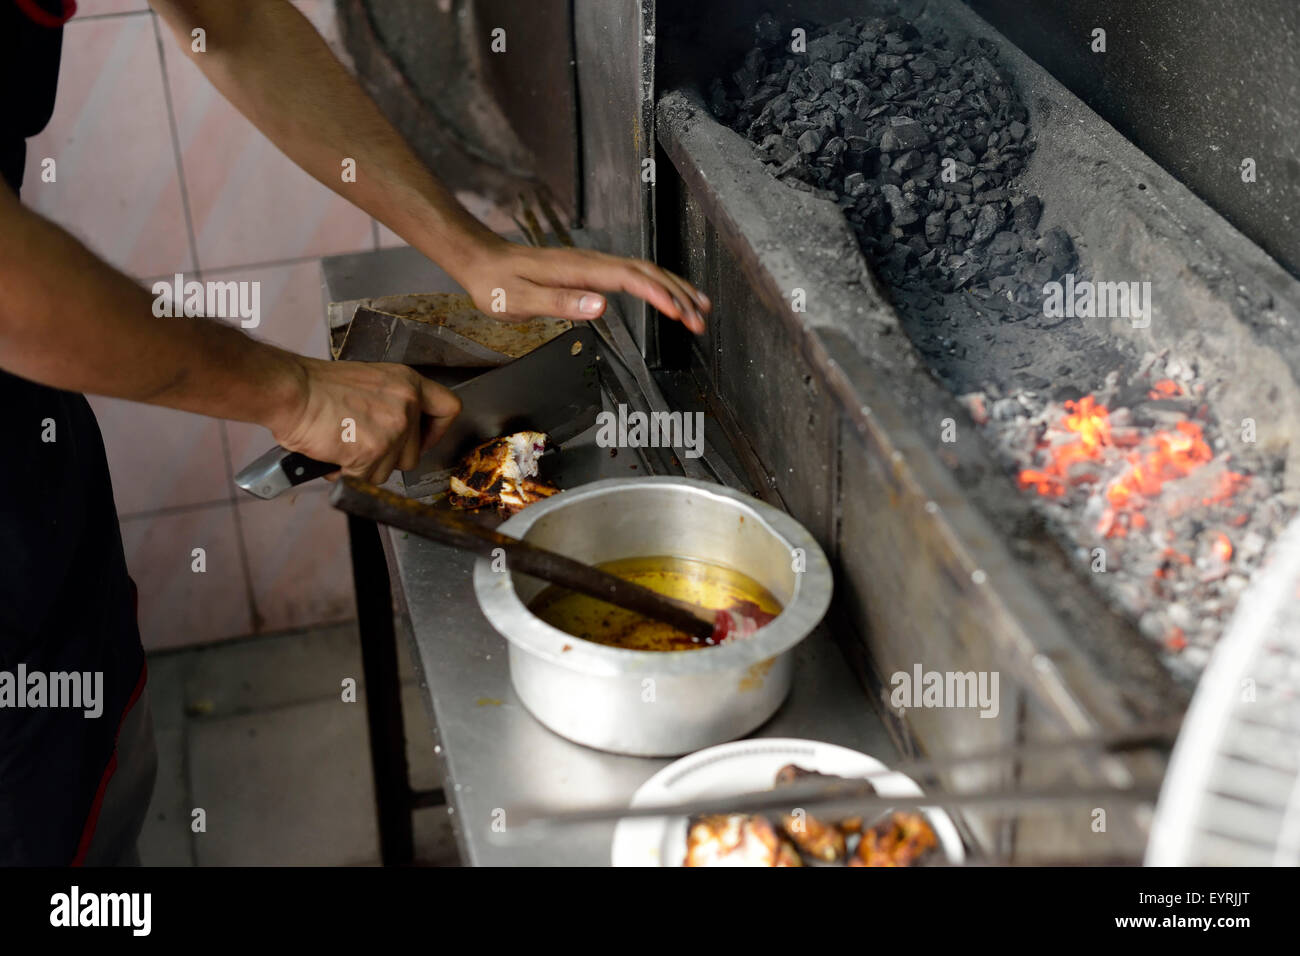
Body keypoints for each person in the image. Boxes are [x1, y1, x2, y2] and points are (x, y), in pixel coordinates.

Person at [0, 0, 710, 865]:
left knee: (94, 800)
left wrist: (469, 250)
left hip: (34, 490)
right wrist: (293, 393)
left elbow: (233, 19)